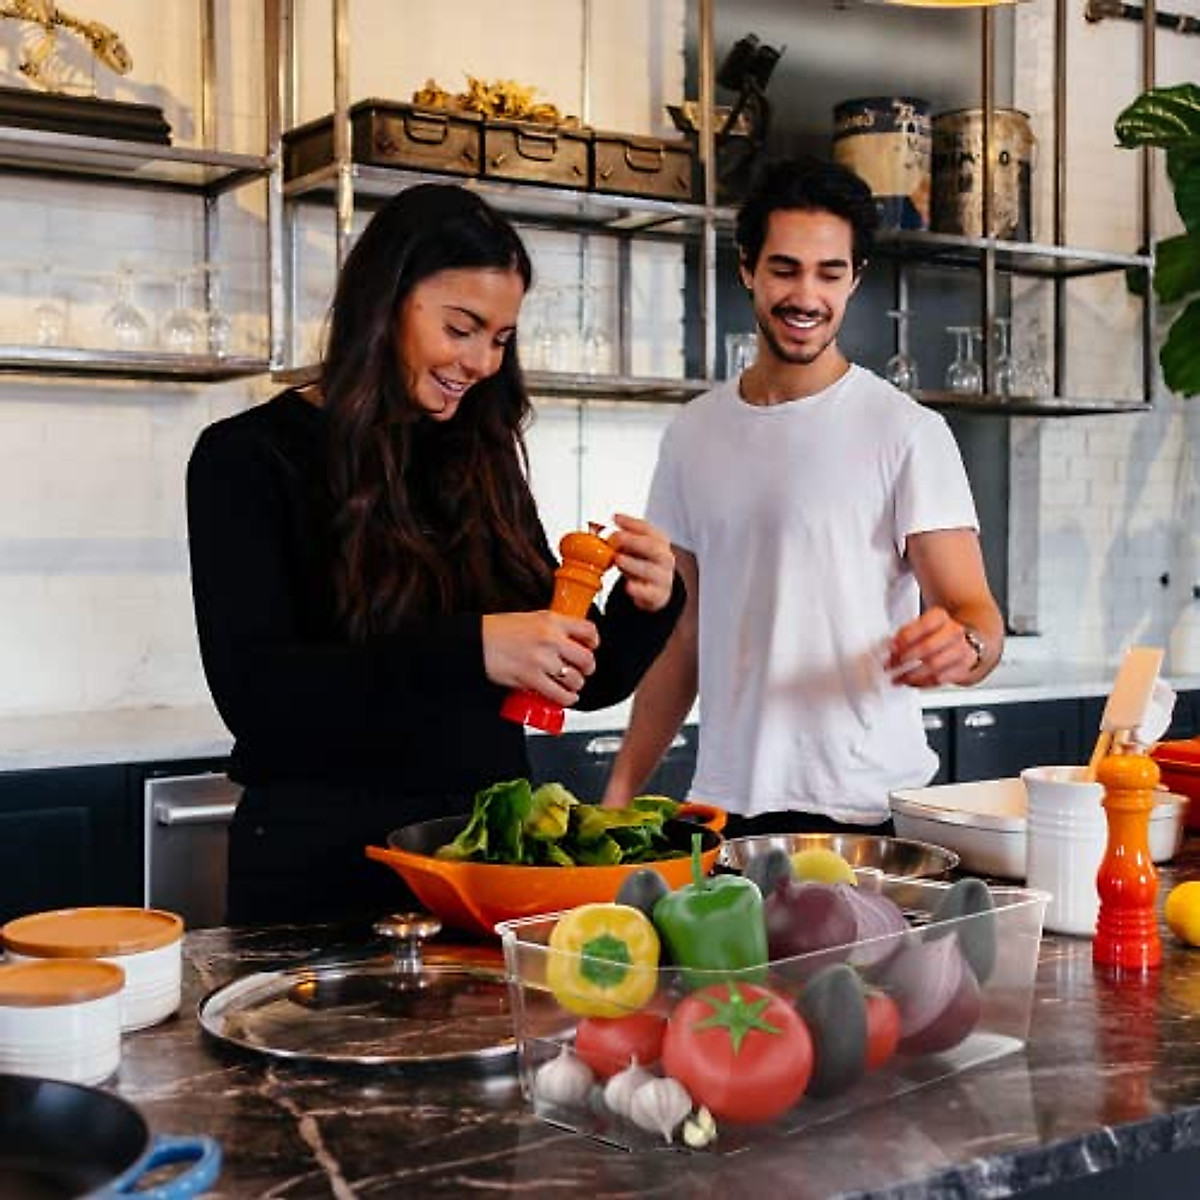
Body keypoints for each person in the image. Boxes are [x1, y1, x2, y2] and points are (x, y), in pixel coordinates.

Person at [187, 183, 684, 926]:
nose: (482, 361)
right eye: (462, 327)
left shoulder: (480, 456)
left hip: (482, 870)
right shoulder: (247, 458)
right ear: (385, 302)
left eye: (502, 338)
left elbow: (575, 682)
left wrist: (646, 604)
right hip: (320, 876)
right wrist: (473, 649)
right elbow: (259, 699)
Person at [601, 155, 1004, 838]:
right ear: (747, 269)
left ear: (856, 280)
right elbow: (683, 637)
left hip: (866, 811)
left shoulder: (907, 432)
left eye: (830, 272)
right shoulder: (693, 434)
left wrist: (962, 646)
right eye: (785, 269)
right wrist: (618, 795)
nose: (806, 295)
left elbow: (977, 620)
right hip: (726, 808)